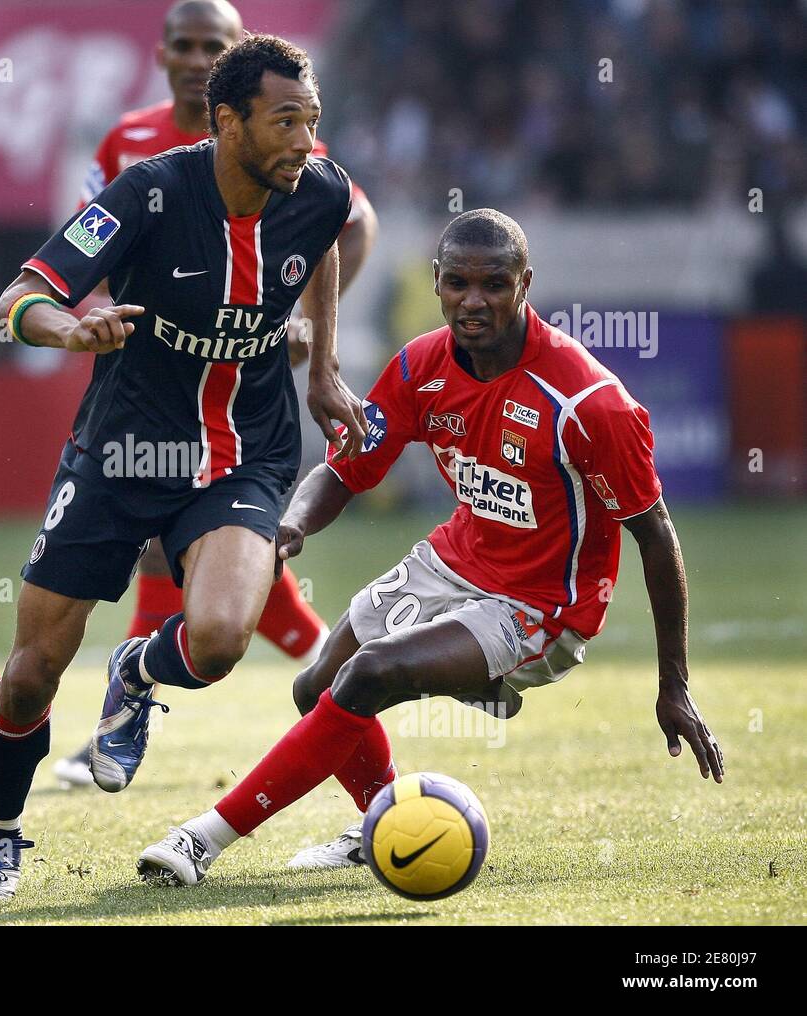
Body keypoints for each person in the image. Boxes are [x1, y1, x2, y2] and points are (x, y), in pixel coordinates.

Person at [136, 208, 725, 886]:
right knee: (316, 688)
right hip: (455, 559)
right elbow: (343, 470)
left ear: (525, 283)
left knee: (372, 673)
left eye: (495, 285)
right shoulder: (421, 366)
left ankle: (200, 840)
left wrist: (673, 683)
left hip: (541, 605)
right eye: (459, 284)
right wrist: (288, 529)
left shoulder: (589, 403)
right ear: (438, 282)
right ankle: (379, 822)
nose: (474, 302)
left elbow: (654, 535)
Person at [0, 35, 369, 899]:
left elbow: (329, 237)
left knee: (219, 641)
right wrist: (67, 328)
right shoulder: (150, 190)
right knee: (30, 675)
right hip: (121, 454)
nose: (305, 140)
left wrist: (324, 367)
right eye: (285, 121)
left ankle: (138, 671)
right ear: (228, 122)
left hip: (245, 457)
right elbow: (19, 298)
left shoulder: (318, 190)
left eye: (313, 121)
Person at [53, 0, 378, 788]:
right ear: (164, 56)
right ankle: (369, 758)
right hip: (150, 409)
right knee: (226, 595)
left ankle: (140, 685)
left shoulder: (285, 141)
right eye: (186, 45)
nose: (198, 58)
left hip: (244, 422)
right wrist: (84, 318)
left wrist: (308, 337)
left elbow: (339, 224)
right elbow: (81, 250)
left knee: (225, 597)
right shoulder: (134, 150)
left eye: (215, 45)